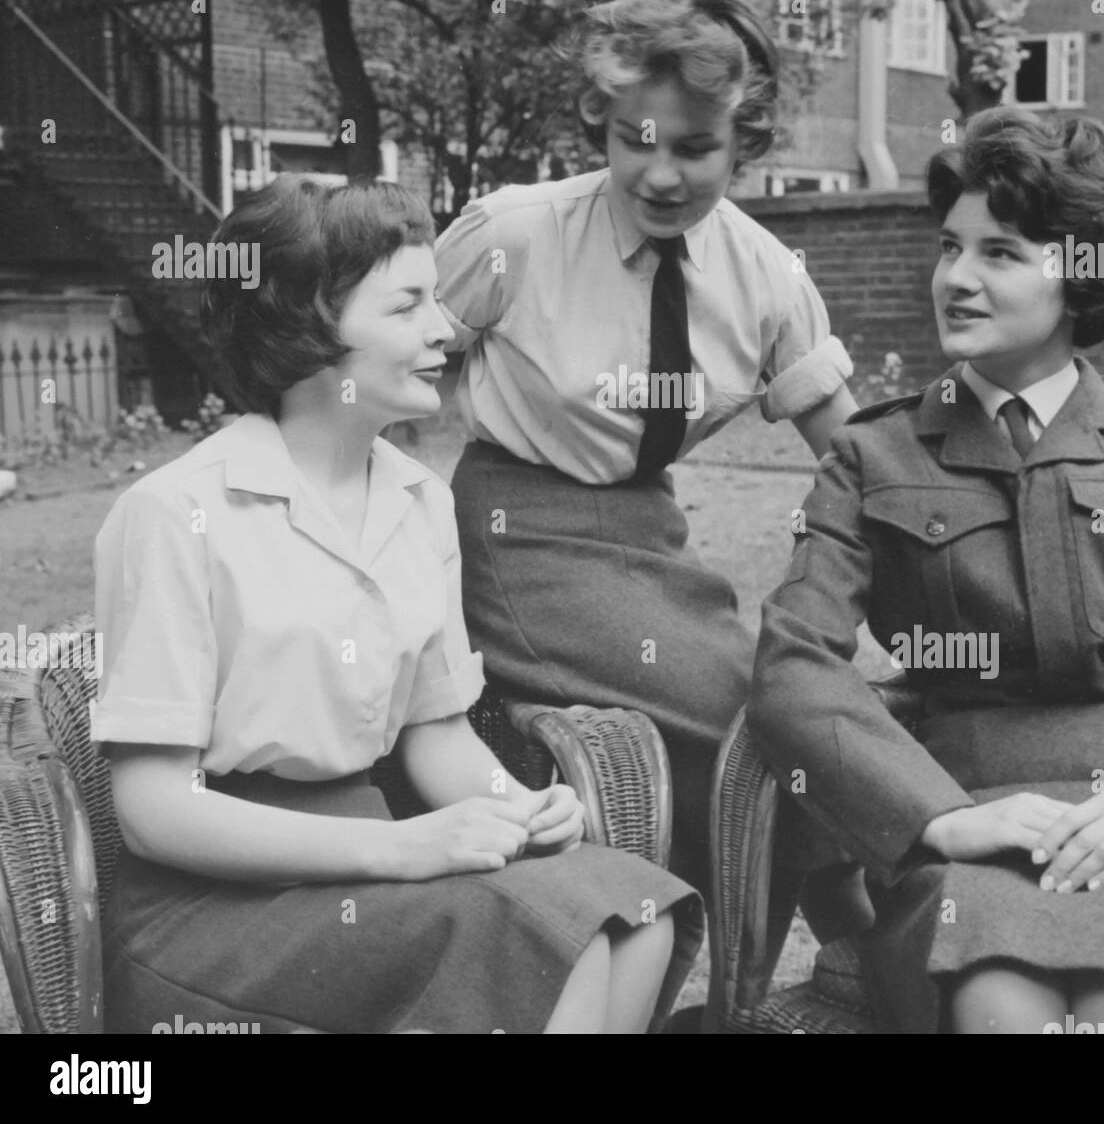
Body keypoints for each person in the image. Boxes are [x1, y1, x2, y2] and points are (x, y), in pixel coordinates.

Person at [91, 176, 700, 1035]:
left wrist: (514, 805)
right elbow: (153, 808)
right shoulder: (174, 512)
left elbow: (435, 733)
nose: (445, 329)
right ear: (309, 323)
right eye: (408, 305)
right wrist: (406, 848)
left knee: (639, 912)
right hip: (215, 909)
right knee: (545, 939)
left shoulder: (419, 500)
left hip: (367, 865)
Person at [749, 107, 1104, 1034]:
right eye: (949, 246)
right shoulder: (871, 455)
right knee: (1006, 1015)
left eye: (1000, 252)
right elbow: (793, 668)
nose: (956, 278)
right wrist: (934, 819)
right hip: (964, 833)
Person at [432, 0, 858, 893]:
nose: (661, 175)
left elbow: (853, 453)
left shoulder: (769, 278)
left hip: (651, 534)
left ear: (745, 139)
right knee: (747, 712)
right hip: (516, 530)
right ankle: (852, 924)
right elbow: (390, 368)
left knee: (788, 701)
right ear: (607, 126)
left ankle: (796, 952)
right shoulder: (515, 234)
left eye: (696, 147)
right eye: (637, 139)